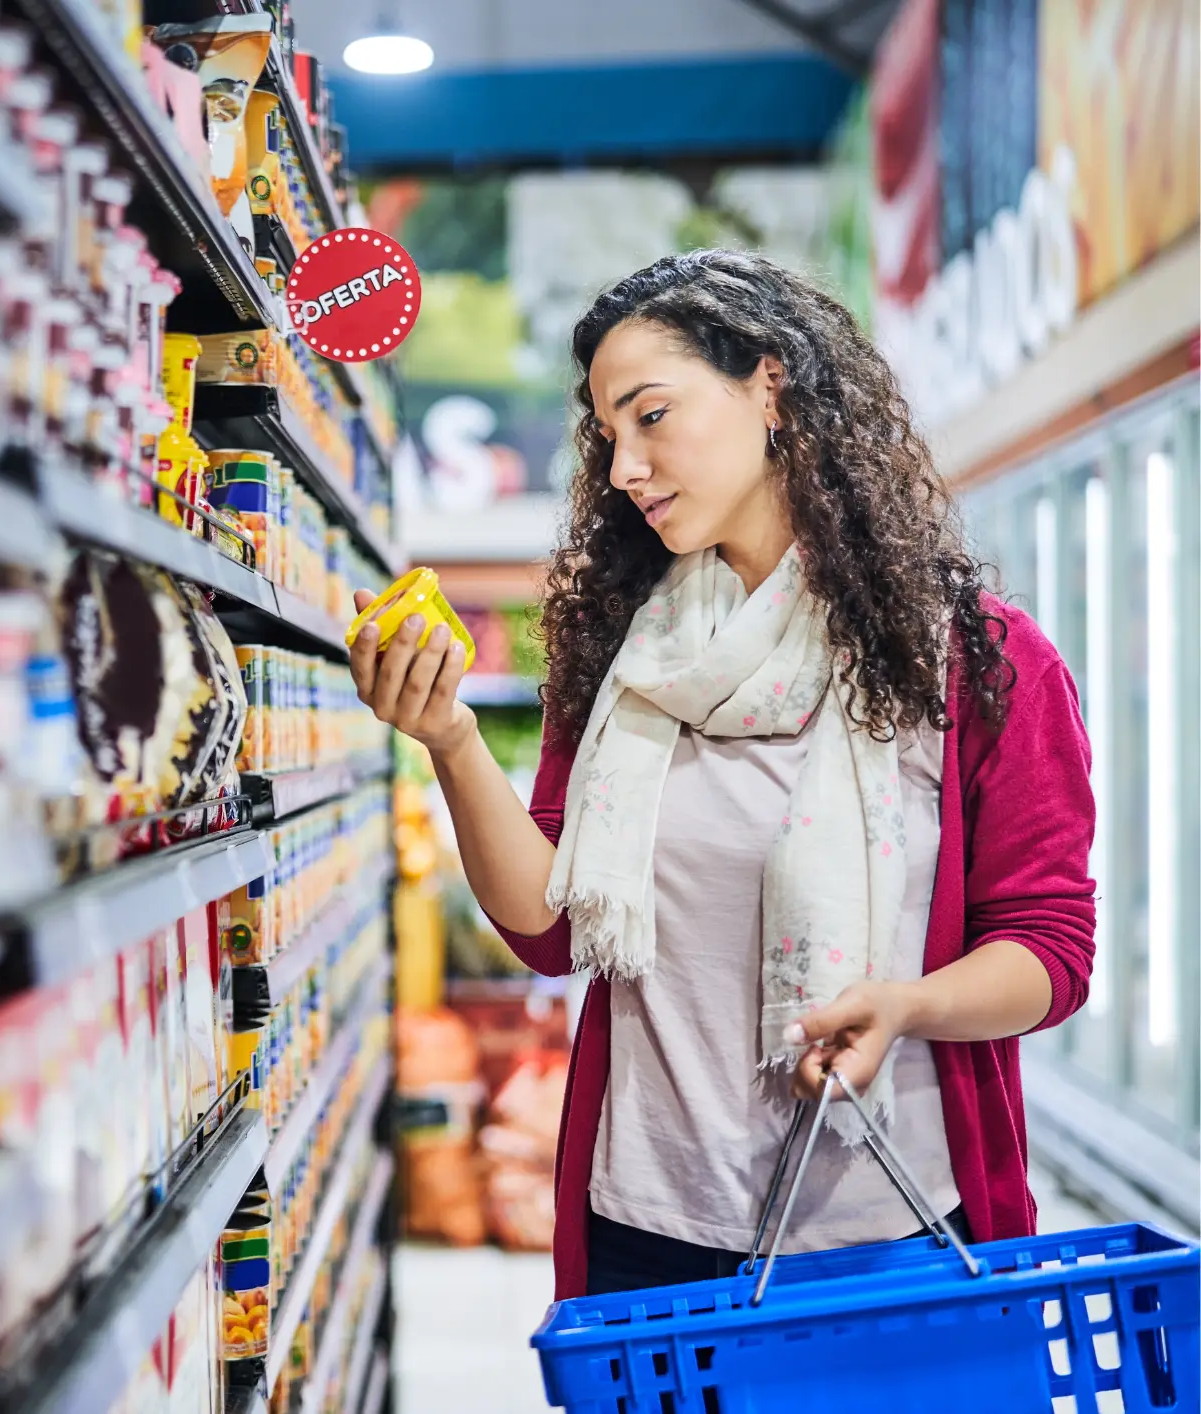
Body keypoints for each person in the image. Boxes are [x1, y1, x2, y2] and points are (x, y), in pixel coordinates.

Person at [351, 250, 1095, 1298]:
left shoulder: (978, 662)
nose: (622, 467)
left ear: (769, 382)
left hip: (894, 1233)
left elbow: (1048, 949)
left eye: (650, 415)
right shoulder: (625, 662)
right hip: (645, 1232)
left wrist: (905, 1005)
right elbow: (552, 927)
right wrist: (450, 739)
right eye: (607, 435)